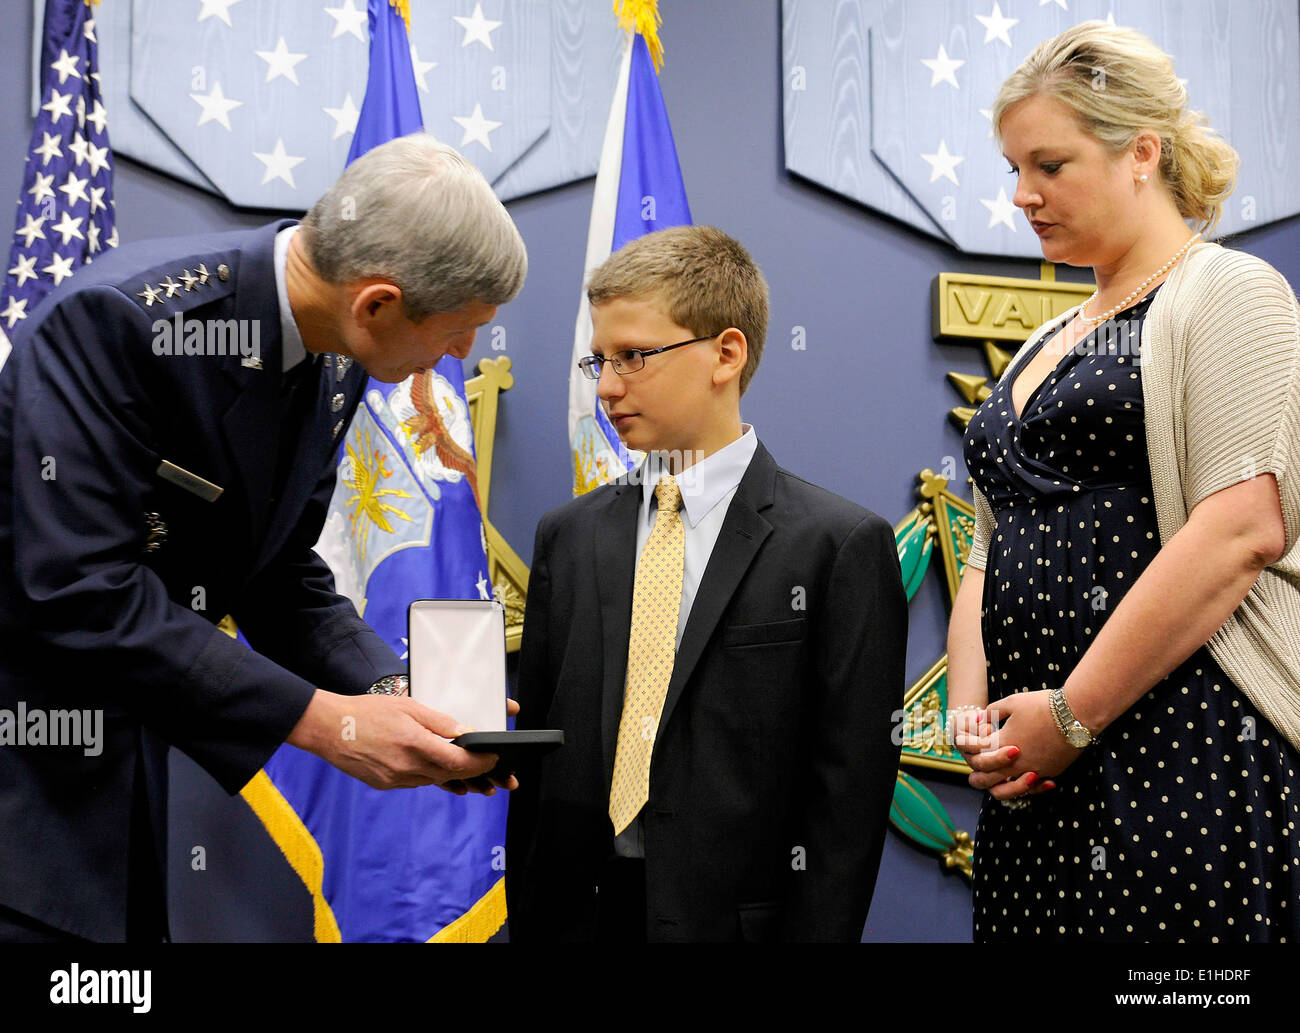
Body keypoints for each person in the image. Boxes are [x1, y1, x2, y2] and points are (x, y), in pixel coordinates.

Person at [0, 133, 527, 942]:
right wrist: (325, 723)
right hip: (25, 782)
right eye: (460, 332)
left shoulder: (339, 353)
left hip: (122, 771)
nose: (460, 355)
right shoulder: (119, 324)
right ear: (378, 303)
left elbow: (274, 568)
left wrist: (389, 696)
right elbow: (82, 592)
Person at [946, 21, 1300, 941]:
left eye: (1049, 165)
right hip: (1035, 773)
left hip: (1185, 747)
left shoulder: (1230, 291)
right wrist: (975, 713)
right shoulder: (1039, 341)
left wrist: (1073, 711)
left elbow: (1241, 527)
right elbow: (987, 541)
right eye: (1013, 168)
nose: (1023, 194)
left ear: (1142, 151)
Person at [505, 225, 907, 942]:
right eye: (595, 360)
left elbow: (847, 802)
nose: (606, 386)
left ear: (726, 353)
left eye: (633, 356)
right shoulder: (567, 536)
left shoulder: (836, 545)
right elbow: (538, 769)